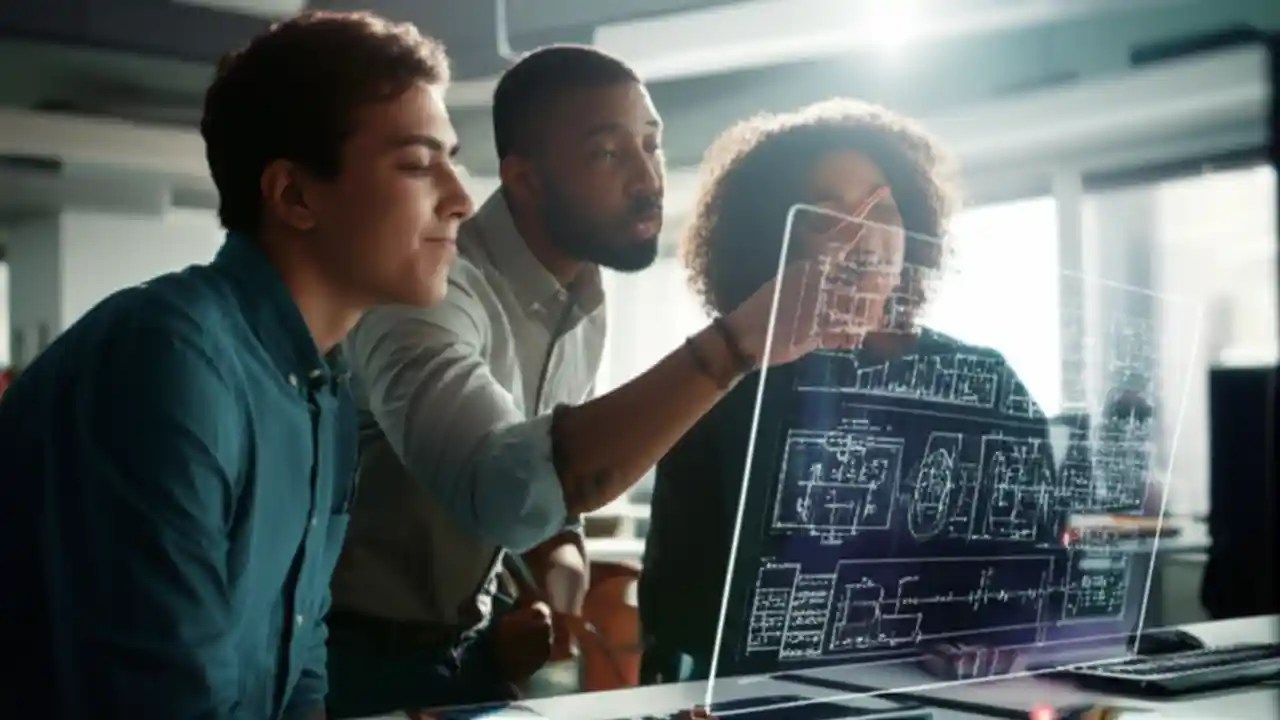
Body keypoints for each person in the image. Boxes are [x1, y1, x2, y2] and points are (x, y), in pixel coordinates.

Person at [326, 46, 865, 717]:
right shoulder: (427, 291)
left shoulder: (583, 295)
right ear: (524, 179)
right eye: (608, 154)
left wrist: (561, 571)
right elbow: (501, 487)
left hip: (474, 654)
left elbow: (547, 498)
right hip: (346, 669)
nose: (648, 178)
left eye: (651, 144)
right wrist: (736, 343)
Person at [0, 12, 472, 718]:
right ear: (294, 195)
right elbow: (160, 699)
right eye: (416, 164)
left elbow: (299, 661)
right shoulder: (169, 360)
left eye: (453, 158)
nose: (462, 198)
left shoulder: (324, 387)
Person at [640, 99, 1060, 683]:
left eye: (880, 207)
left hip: (953, 696)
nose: (860, 234)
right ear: (773, 242)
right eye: (826, 212)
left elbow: (1039, 566)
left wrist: (997, 639)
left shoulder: (983, 381)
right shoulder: (720, 386)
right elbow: (676, 607)